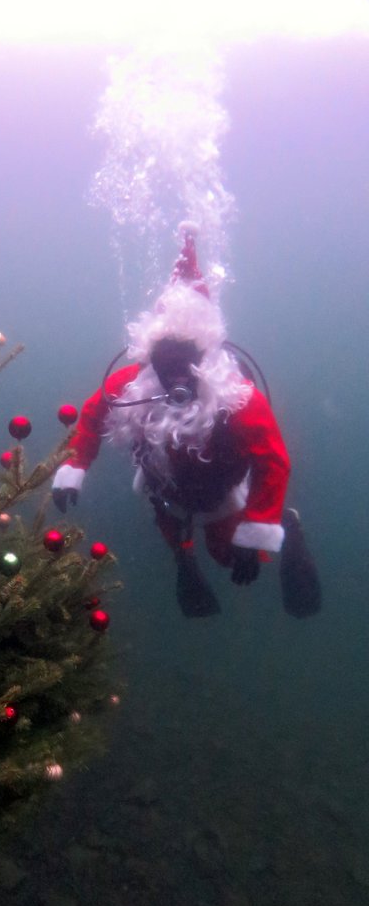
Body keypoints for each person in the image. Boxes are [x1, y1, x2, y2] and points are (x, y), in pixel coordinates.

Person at [52, 224, 320, 618]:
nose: (177, 374)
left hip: (220, 493)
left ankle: (287, 525)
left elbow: (273, 461)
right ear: (150, 356)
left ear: (205, 355)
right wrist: (74, 466)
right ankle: (184, 559)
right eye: (166, 361)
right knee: (174, 533)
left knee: (230, 556)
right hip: (165, 492)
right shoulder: (132, 383)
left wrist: (257, 528)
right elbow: (93, 415)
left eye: (187, 361)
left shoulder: (238, 398)